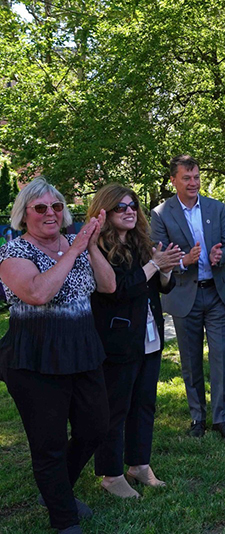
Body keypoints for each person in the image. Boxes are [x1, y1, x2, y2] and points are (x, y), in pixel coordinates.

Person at [0, 177, 116, 534]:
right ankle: (64, 519)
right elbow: (37, 293)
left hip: (82, 349)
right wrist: (75, 249)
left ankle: (55, 491)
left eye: (57, 206)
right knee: (48, 443)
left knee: (95, 427)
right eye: (40, 208)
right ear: (25, 214)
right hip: (36, 355)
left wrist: (90, 245)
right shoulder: (14, 253)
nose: (50, 213)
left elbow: (109, 285)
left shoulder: (75, 243)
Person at [88, 185, 182, 498]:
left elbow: (161, 286)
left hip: (149, 335)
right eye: (120, 207)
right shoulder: (98, 247)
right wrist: (155, 265)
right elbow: (118, 289)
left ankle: (139, 464)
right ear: (105, 212)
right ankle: (111, 474)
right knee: (116, 408)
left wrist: (165, 269)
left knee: (144, 403)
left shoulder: (142, 241)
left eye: (133, 205)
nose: (129, 211)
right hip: (117, 339)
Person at [150, 155, 225, 442]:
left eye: (197, 177)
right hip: (182, 294)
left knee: (220, 357)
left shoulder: (216, 207)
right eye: (187, 178)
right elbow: (159, 258)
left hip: (216, 293)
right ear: (173, 180)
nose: (193, 182)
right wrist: (184, 262)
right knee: (190, 361)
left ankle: (221, 418)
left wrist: (220, 255)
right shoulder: (161, 213)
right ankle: (196, 417)